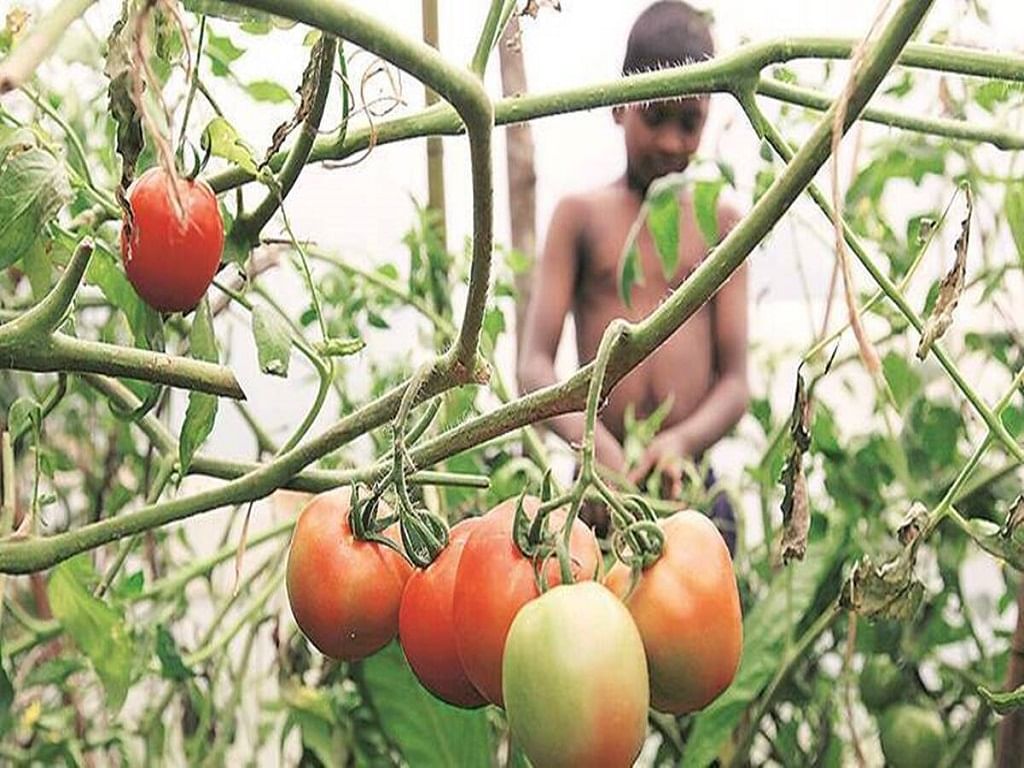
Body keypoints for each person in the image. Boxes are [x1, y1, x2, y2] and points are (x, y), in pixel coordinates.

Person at [517, 0, 748, 554]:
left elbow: (736, 382)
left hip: (687, 490)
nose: (671, 141)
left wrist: (679, 443)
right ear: (619, 106)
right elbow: (532, 367)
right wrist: (595, 447)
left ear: (709, 114)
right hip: (596, 491)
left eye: (689, 122)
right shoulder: (580, 218)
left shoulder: (724, 223)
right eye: (655, 116)